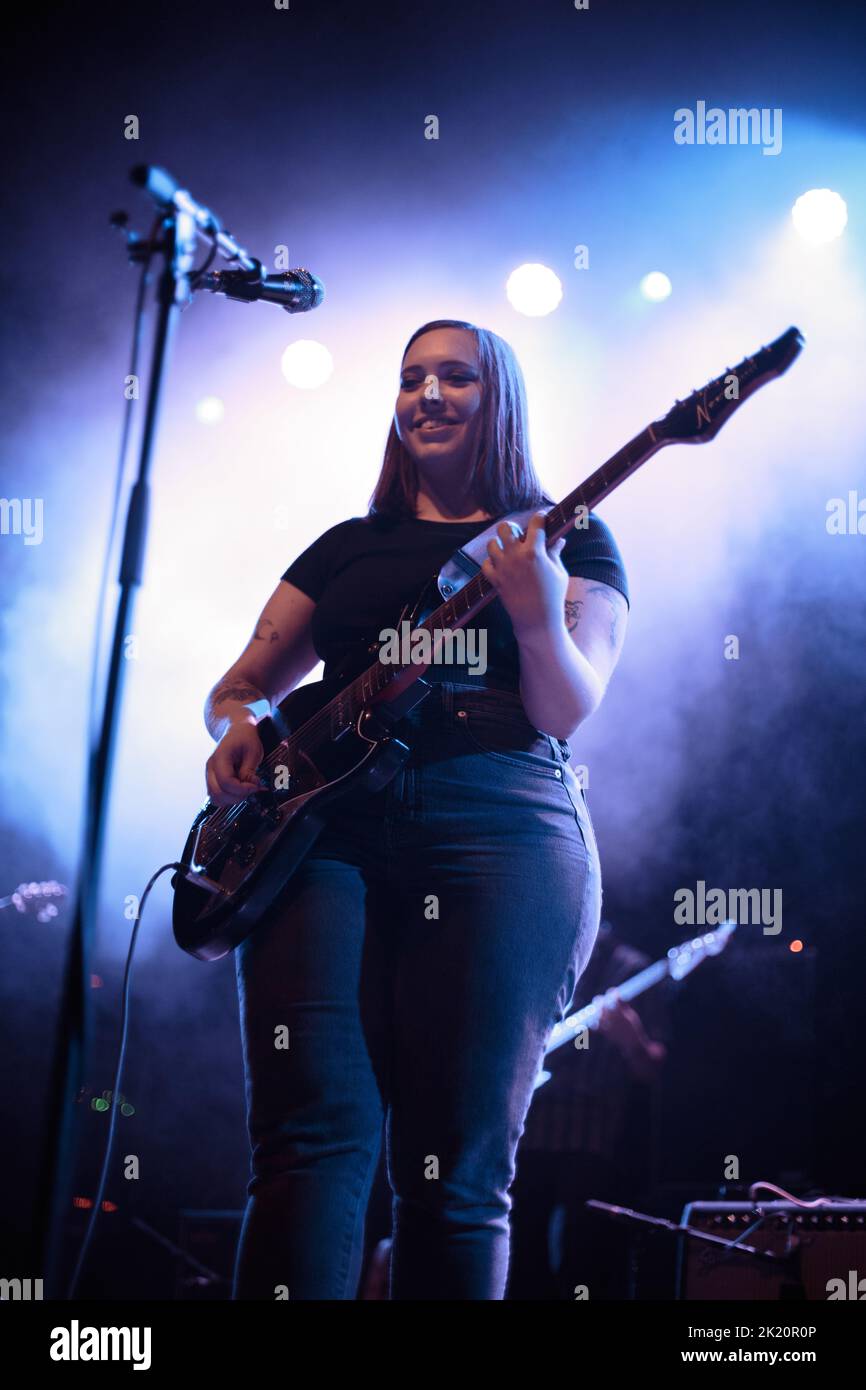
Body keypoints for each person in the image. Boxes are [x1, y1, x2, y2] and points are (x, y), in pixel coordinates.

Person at [202, 318, 630, 1300]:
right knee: (306, 1140)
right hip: (322, 830)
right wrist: (236, 723)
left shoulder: (572, 534)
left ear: (501, 399)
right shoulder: (348, 546)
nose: (425, 395)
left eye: (454, 377)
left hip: (500, 826)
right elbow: (241, 684)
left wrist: (530, 606)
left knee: (456, 1170)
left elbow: (566, 704)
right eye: (409, 379)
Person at [506, 922, 669, 1300]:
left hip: (589, 1144)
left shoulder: (633, 970)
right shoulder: (540, 957)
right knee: (519, 1256)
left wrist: (632, 1039)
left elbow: (653, 1069)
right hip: (524, 1134)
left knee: (579, 1256)